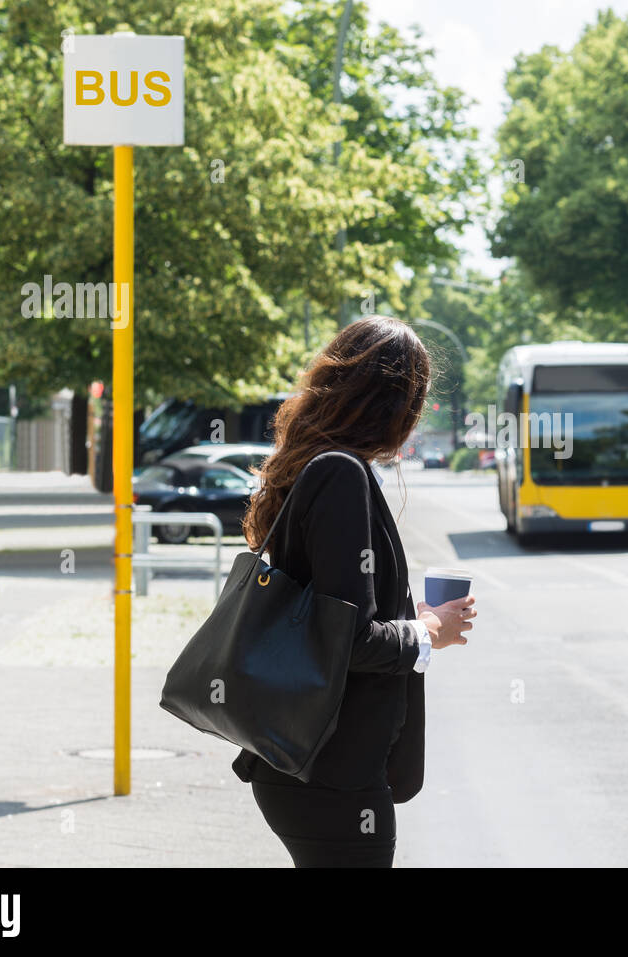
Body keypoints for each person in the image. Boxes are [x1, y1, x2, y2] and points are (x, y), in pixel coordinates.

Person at [234, 315, 476, 867]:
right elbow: (348, 639)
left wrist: (407, 614)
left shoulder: (315, 467)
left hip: (301, 766)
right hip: (332, 774)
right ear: (394, 402)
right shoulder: (341, 474)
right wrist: (429, 630)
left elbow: (331, 608)